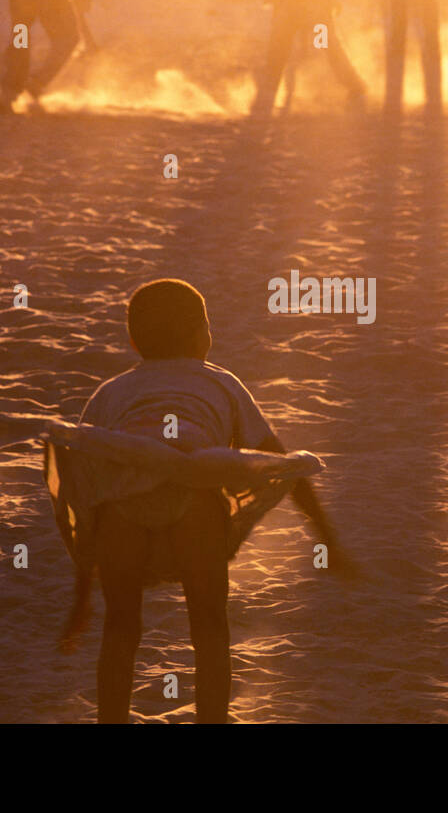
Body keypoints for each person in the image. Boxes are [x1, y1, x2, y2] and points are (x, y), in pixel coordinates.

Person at [73, 279, 344, 723]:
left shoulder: (110, 392)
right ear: (203, 336)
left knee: (120, 628)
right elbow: (278, 462)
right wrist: (325, 535)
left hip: (123, 506)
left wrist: (81, 596)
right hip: (195, 499)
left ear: (133, 340)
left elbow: (83, 489)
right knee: (210, 628)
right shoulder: (221, 381)